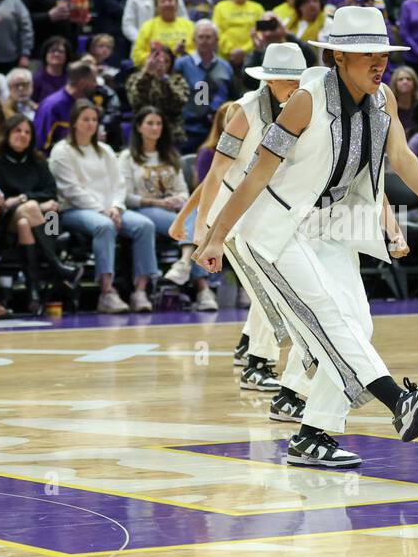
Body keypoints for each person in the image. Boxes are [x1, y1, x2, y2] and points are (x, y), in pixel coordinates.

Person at [195, 7, 418, 469]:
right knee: (332, 319)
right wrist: (216, 236)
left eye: (382, 54)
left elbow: (399, 155)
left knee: (359, 325)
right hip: (277, 229)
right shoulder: (305, 101)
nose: (379, 63)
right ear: (337, 56)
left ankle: (313, 435)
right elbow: (255, 176)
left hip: (332, 229)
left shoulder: (383, 100)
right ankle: (398, 401)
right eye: (366, 54)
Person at [173, 42, 310, 408]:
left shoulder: (297, 107)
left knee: (268, 285)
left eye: (300, 79)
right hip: (231, 210)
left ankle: (251, 346)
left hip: (264, 209)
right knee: (266, 289)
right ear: (271, 80)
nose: (296, 86)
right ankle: (257, 363)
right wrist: (200, 224)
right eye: (289, 80)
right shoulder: (245, 112)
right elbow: (215, 173)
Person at [51, 101, 158, 314]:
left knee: (145, 225)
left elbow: (120, 184)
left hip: (111, 210)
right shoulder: (61, 151)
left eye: (94, 120)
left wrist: (117, 207)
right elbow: (71, 190)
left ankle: (140, 291)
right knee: (104, 227)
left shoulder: (105, 150)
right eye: (85, 119)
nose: (91, 124)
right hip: (74, 210)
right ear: (74, 123)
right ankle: (107, 292)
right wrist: (102, 210)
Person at [120, 107, 217, 311]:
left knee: (197, 215)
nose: (155, 128)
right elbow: (126, 196)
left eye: (159, 124)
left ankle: (185, 265)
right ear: (138, 127)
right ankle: (200, 287)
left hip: (173, 209)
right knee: (190, 221)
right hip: (143, 210)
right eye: (150, 123)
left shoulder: (170, 155)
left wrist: (176, 200)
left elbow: (183, 191)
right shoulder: (127, 157)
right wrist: (157, 202)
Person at [0, 114, 83, 314]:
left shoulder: (39, 161)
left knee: (27, 222)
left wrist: (24, 199)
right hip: (5, 224)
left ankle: (34, 293)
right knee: (29, 209)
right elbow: (0, 201)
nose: (22, 135)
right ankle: (57, 266)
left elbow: (51, 193)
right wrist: (32, 202)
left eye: (27, 132)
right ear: (7, 134)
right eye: (17, 131)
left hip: (48, 222)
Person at [174, 20, 234, 150]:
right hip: (188, 129)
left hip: (218, 129)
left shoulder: (226, 67)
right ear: (194, 40)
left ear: (216, 40)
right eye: (200, 37)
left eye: (208, 37)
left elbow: (232, 95)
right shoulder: (182, 64)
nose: (204, 40)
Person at [35, 60, 97, 151]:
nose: (96, 85)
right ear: (82, 83)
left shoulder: (84, 104)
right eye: (93, 81)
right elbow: (41, 145)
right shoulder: (51, 106)